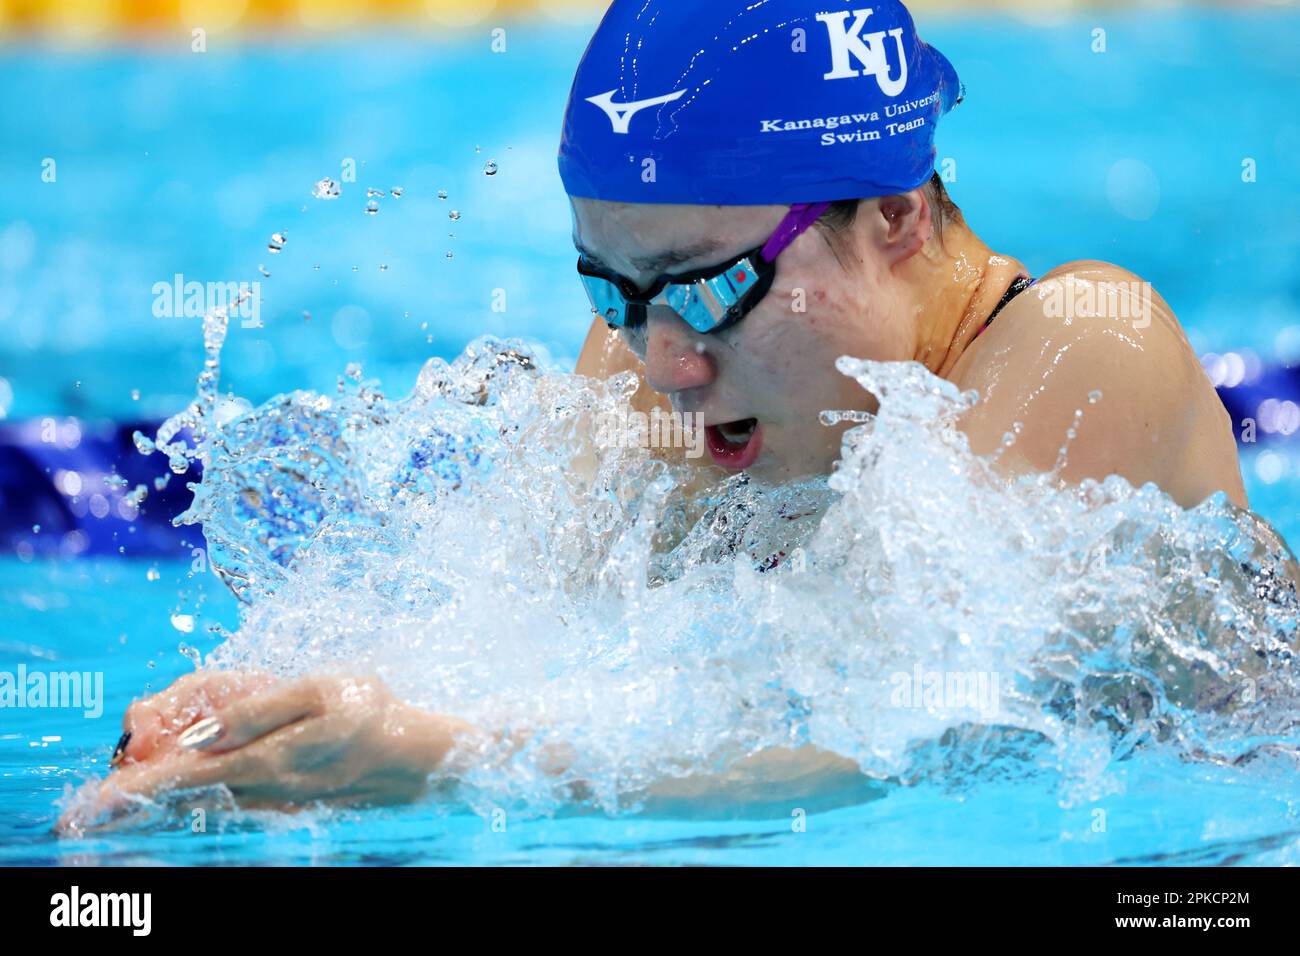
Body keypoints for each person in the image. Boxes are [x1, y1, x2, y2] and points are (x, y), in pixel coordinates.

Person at [56, 0, 1247, 832]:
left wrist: (446, 760)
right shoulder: (662, 353)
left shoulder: (1089, 344)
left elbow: (910, 743)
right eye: (611, 293)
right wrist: (286, 712)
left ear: (891, 213)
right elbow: (510, 620)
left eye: (717, 285)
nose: (665, 361)